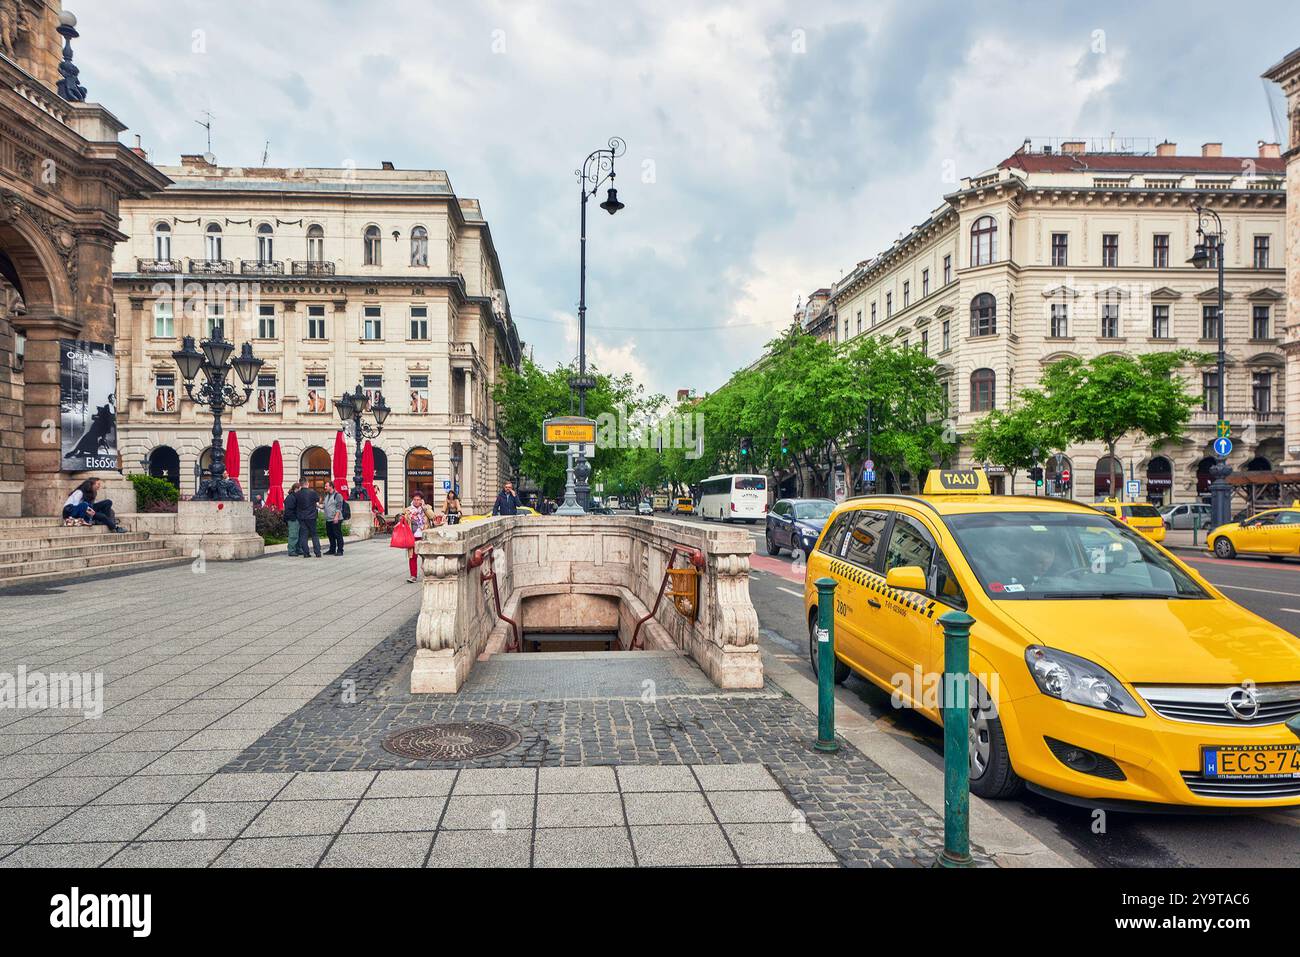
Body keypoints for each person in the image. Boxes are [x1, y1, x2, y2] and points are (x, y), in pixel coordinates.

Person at [62, 479, 126, 532]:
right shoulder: (79, 492)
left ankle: (105, 521)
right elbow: (76, 506)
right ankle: (115, 527)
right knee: (102, 516)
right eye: (98, 484)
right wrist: (88, 510)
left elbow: (92, 505)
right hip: (72, 510)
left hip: (87, 510)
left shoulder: (92, 493)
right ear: (91, 485)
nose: (99, 486)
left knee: (108, 502)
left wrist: (90, 509)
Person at [403, 492, 439, 582]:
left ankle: (427, 573)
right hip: (412, 536)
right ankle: (413, 576)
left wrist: (424, 508)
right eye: (414, 499)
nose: (416, 501)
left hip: (424, 536)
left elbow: (433, 517)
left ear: (421, 500)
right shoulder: (408, 510)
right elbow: (405, 522)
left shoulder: (427, 508)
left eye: (418, 499)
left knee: (426, 556)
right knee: (412, 557)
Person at [295, 482, 322, 558]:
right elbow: (318, 500)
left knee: (303, 535)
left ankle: (306, 553)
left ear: (300, 485)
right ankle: (317, 552)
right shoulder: (312, 492)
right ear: (307, 483)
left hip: (301, 517)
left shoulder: (297, 494)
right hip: (312, 517)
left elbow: (295, 504)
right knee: (314, 534)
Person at [322, 480, 346, 556]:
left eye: (326, 486)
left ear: (331, 486)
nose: (325, 487)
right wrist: (317, 505)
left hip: (336, 519)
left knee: (337, 534)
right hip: (328, 519)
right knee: (330, 534)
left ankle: (340, 550)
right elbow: (324, 506)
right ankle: (332, 549)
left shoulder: (338, 495)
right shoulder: (327, 496)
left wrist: (336, 517)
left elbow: (339, 507)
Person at [283, 483, 301, 556]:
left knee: (297, 535)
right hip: (293, 519)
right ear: (296, 489)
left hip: (296, 519)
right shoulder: (291, 497)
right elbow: (289, 510)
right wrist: (293, 518)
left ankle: (297, 549)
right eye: (300, 489)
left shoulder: (294, 496)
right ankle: (291, 550)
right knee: (293, 535)